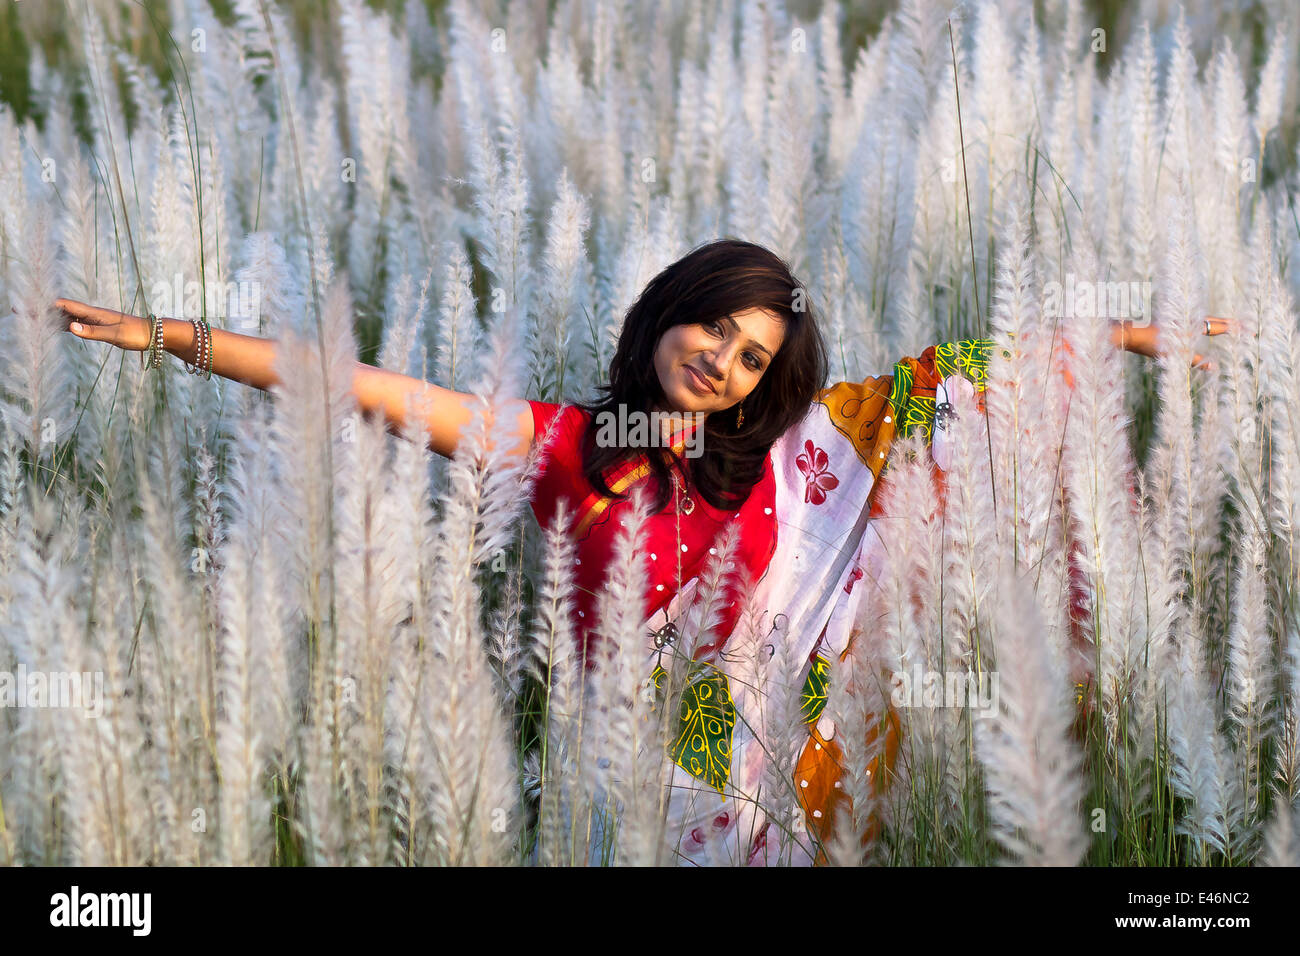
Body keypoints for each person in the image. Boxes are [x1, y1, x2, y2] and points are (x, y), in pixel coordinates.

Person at [54, 238, 1232, 866]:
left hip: (770, 748)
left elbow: (952, 375)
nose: (725, 359)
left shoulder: (787, 456)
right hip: (626, 773)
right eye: (714, 325)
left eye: (754, 356)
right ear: (669, 311)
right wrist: (172, 334)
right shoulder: (568, 445)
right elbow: (360, 388)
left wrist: (1120, 332)